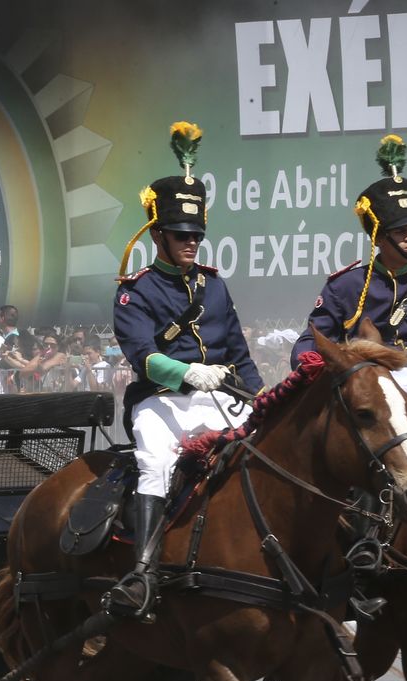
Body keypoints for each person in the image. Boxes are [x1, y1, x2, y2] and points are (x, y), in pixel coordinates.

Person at [110, 122, 264, 616]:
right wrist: (185, 373)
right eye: (181, 234)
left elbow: (238, 350)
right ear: (158, 235)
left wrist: (261, 399)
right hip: (161, 401)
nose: (191, 242)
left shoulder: (215, 286)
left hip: (222, 398)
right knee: (154, 462)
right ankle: (144, 574)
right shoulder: (137, 288)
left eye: (196, 234)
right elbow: (141, 355)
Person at [291, 134, 407, 414]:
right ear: (378, 238)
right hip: (375, 386)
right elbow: (310, 340)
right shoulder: (344, 286)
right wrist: (315, 363)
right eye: (401, 232)